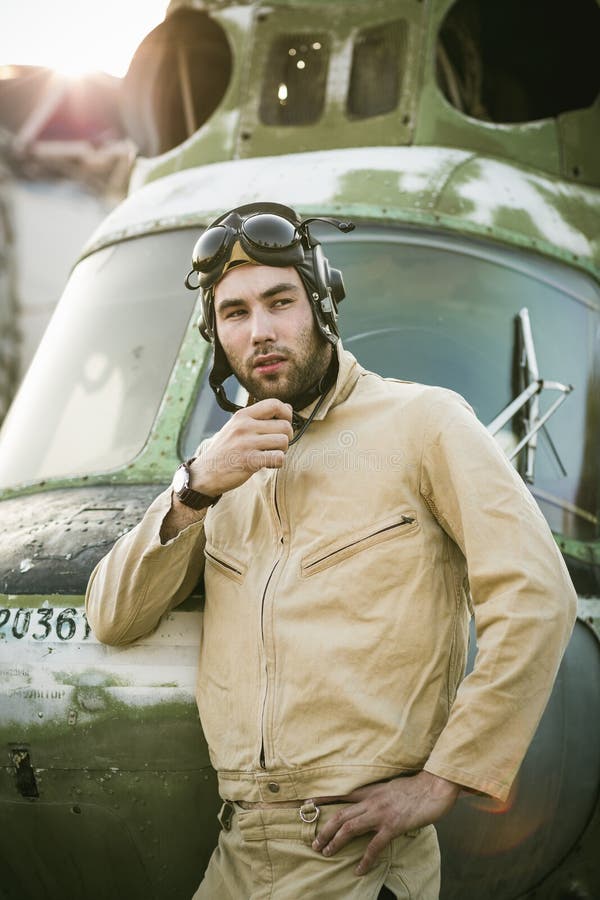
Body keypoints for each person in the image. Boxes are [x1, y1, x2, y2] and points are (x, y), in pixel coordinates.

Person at [86, 202, 577, 899]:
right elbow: (113, 615)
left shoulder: (425, 423)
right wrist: (194, 487)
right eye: (234, 314)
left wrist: (445, 780)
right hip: (236, 853)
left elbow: (537, 595)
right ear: (215, 334)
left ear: (320, 305)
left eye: (280, 302)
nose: (259, 332)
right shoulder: (221, 468)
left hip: (355, 856)